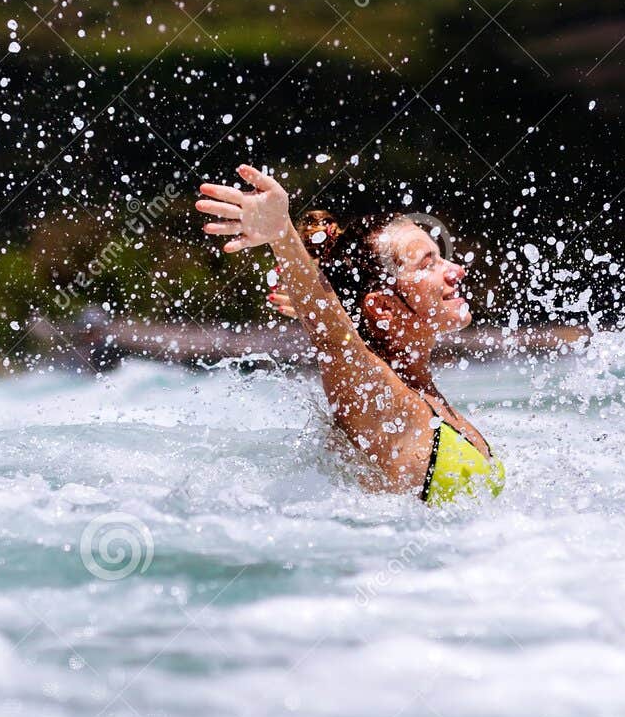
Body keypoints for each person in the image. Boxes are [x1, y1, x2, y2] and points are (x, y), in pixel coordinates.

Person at [195, 164, 504, 504]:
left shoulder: (421, 393)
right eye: (427, 264)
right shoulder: (378, 395)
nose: (457, 271)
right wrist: (282, 233)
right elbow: (334, 339)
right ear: (383, 307)